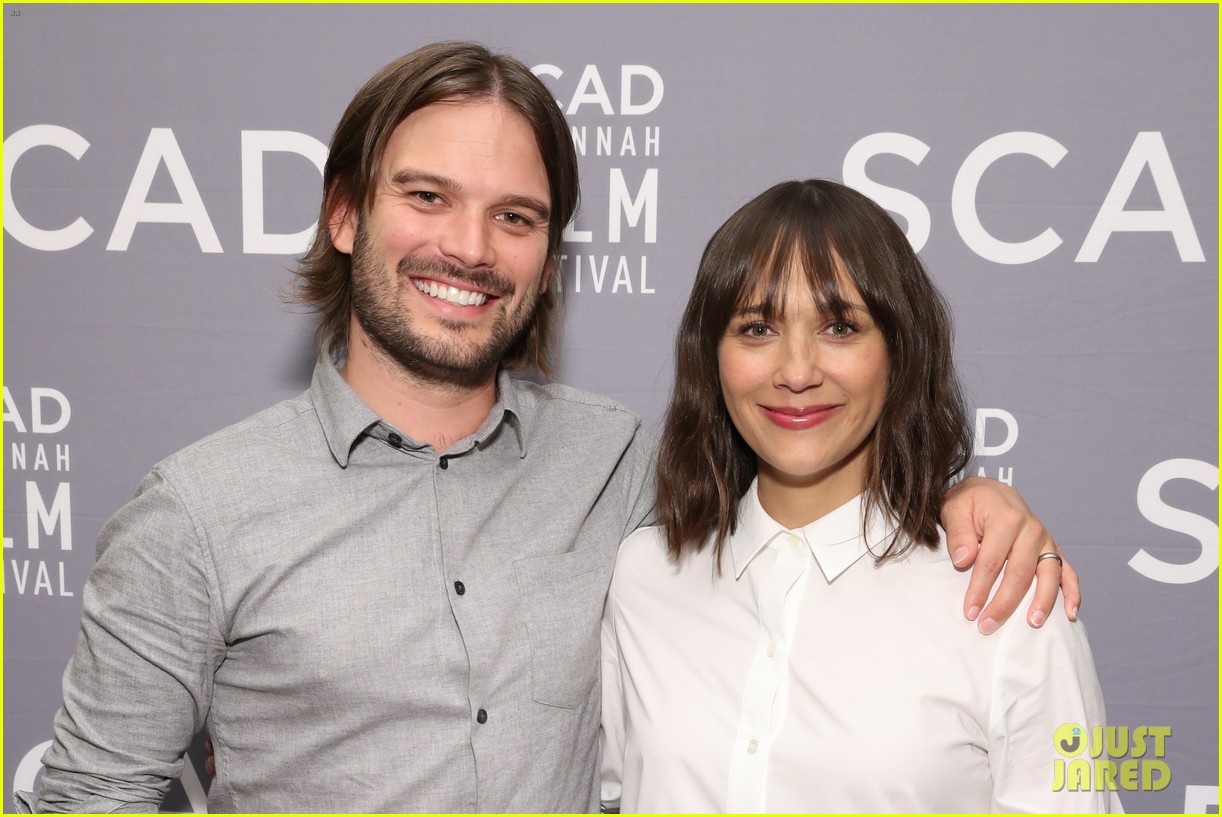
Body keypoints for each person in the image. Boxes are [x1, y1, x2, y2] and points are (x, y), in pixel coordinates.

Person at [18, 44, 1074, 813]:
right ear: (345, 216)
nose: (469, 248)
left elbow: (799, 476)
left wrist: (956, 500)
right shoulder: (198, 511)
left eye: (515, 216)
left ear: (547, 254)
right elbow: (91, 797)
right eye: (427, 196)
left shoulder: (616, 464)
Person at [600, 179, 1110, 813]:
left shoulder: (1001, 600)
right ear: (713, 359)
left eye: (840, 327)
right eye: (757, 328)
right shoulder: (645, 576)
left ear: (899, 352)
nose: (796, 370)